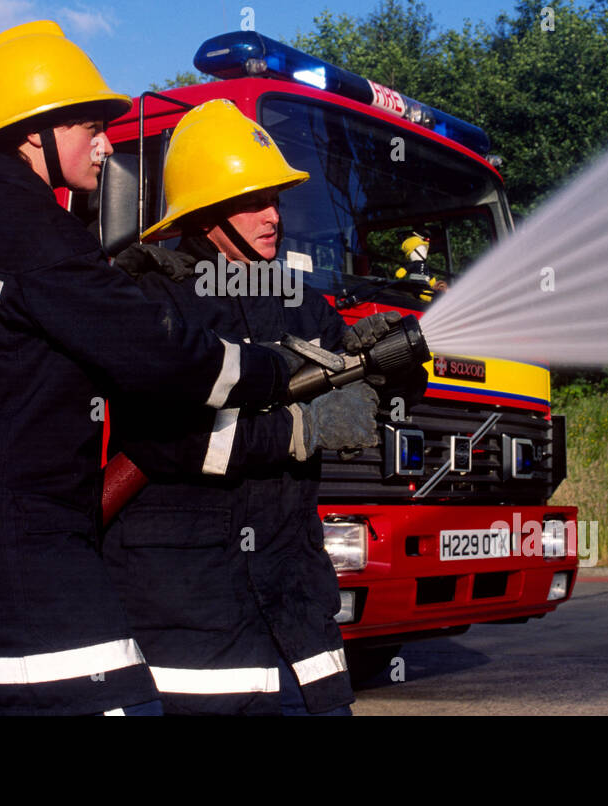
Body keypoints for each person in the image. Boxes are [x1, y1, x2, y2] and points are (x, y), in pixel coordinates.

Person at [0, 23, 295, 716]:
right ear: (30, 135)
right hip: (22, 587)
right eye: (88, 125)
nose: (106, 145)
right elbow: (159, 357)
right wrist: (276, 370)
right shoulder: (32, 233)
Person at [104, 99, 421, 715]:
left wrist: (397, 369)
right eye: (253, 201)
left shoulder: (299, 303)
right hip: (189, 612)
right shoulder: (152, 298)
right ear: (205, 212)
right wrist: (300, 430)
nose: (273, 215)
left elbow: (380, 405)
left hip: (295, 606)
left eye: (275, 199)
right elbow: (167, 438)